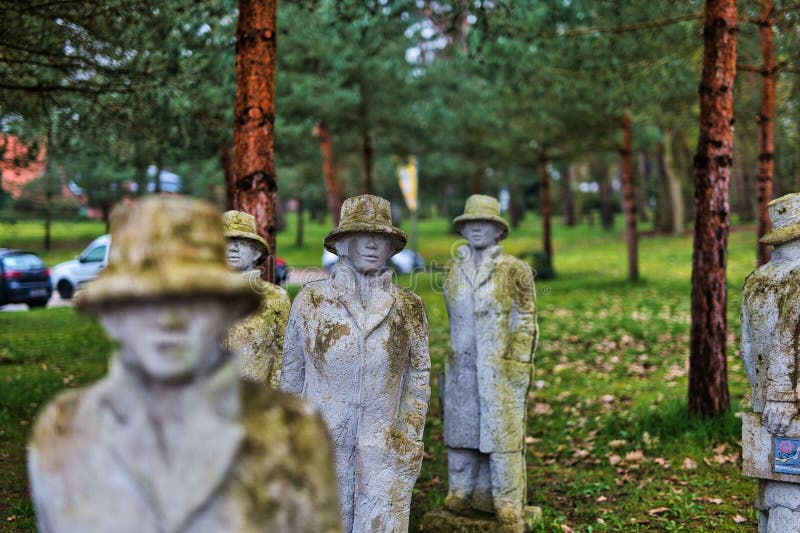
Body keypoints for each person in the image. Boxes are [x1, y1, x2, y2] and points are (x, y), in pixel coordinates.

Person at [28, 197, 342, 533]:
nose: (170, 319)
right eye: (145, 299)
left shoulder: (294, 432)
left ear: (226, 312)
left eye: (195, 298)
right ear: (112, 316)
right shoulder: (63, 432)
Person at [281, 194, 430, 533]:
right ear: (342, 244)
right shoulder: (311, 300)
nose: (371, 244)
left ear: (392, 247)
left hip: (384, 443)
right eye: (361, 235)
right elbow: (292, 372)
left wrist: (408, 433)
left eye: (381, 237)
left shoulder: (409, 307)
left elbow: (419, 376)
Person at [442, 194, 537, 530]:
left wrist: (518, 361)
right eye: (471, 224)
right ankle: (461, 491)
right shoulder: (453, 269)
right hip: (462, 368)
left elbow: (525, 319)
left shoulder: (515, 269)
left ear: (499, 231)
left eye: (485, 224)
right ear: (463, 229)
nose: (477, 229)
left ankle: (507, 500)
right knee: (461, 432)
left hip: (501, 368)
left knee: (502, 436)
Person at [741, 193, 800, 532]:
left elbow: (747, 348)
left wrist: (760, 396)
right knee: (791, 501)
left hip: (764, 404)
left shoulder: (756, 280)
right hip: (791, 402)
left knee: (770, 487)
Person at [222, 209, 290, 387]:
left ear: (257, 252)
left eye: (242, 241)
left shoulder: (275, 298)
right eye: (226, 241)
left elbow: (284, 356)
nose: (233, 248)